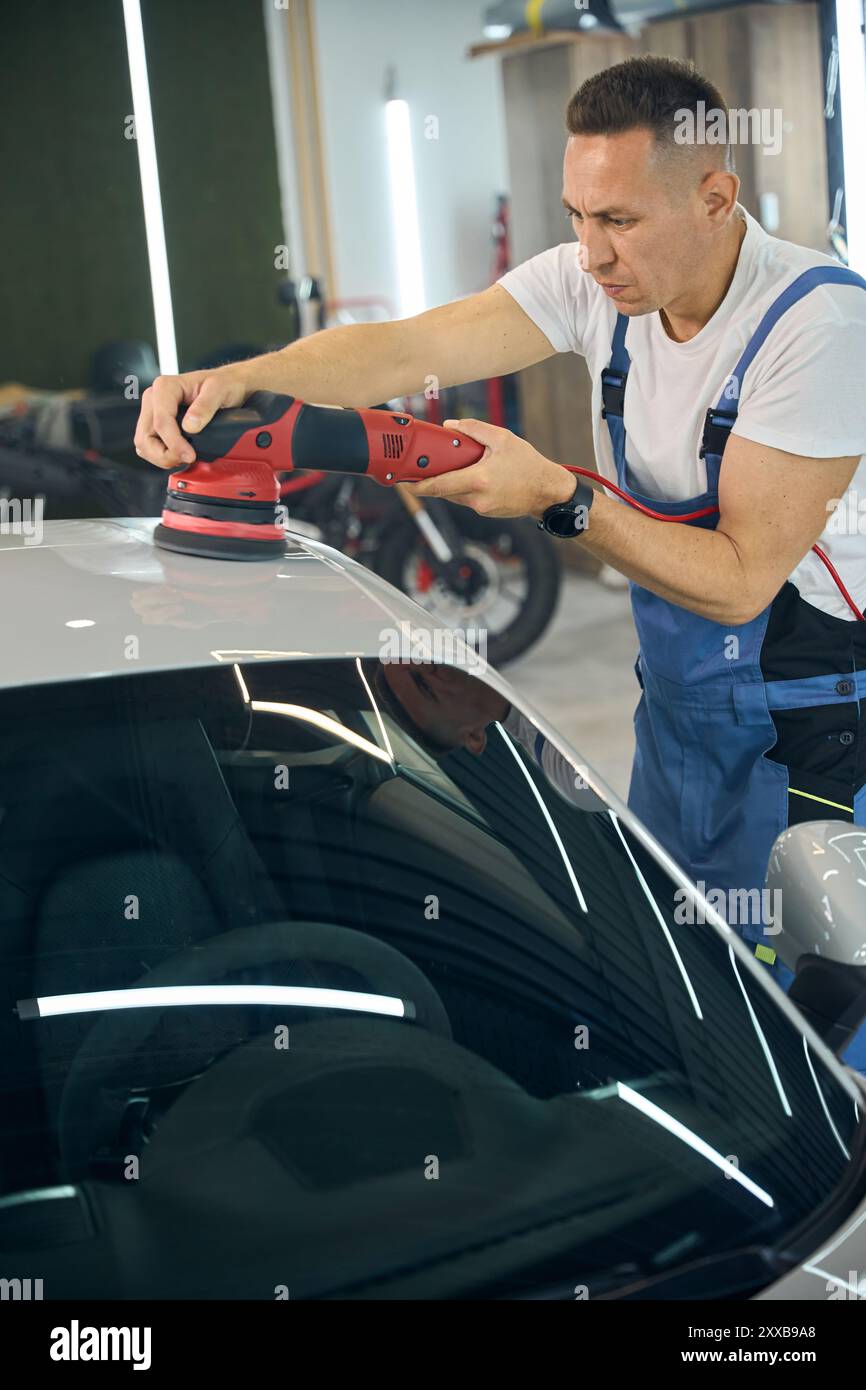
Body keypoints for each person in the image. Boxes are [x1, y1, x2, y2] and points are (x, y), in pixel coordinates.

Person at [135, 58, 866, 1025]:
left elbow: (737, 583)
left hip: (812, 736)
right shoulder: (599, 285)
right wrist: (243, 381)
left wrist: (559, 498)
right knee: (690, 985)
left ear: (717, 198)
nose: (591, 253)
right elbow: (407, 348)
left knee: (815, 1013)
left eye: (619, 221)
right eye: (576, 215)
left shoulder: (819, 327)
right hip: (679, 717)